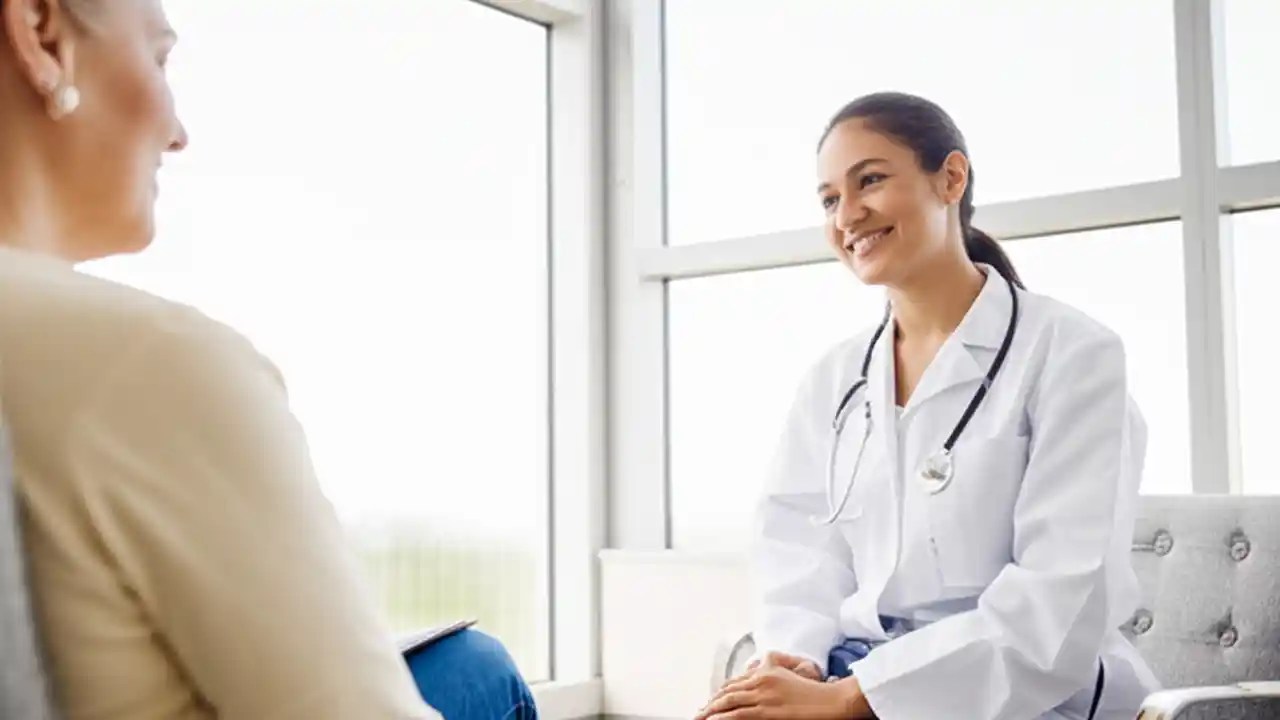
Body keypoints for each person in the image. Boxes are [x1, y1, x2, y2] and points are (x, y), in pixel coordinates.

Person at [0, 1, 535, 718]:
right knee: (481, 671)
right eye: (158, 59)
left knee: (461, 662)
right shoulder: (150, 364)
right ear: (39, 33)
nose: (178, 131)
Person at [697, 92, 1160, 720]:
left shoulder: (1073, 355)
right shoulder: (834, 380)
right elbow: (799, 550)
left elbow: (1060, 604)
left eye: (872, 180)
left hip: (1026, 698)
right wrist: (795, 657)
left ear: (950, 178)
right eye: (830, 199)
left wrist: (853, 699)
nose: (848, 215)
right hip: (852, 679)